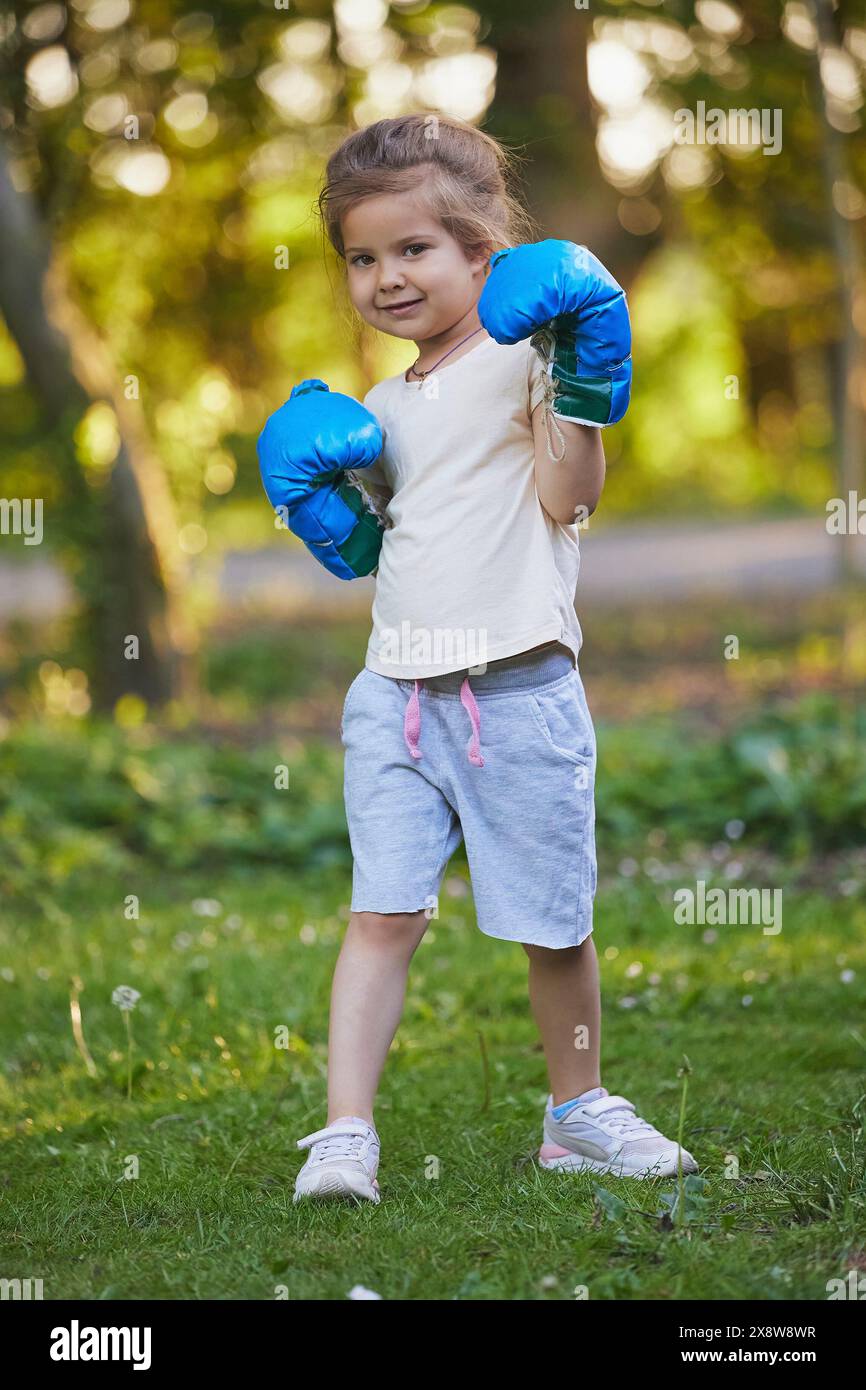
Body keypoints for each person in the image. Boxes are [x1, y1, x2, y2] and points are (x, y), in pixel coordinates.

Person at [263, 114, 698, 1203]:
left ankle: (576, 1109)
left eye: (411, 249)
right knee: (382, 912)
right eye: (361, 258)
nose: (384, 277)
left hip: (519, 694)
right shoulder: (371, 411)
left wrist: (581, 378)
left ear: (481, 256)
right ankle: (344, 1132)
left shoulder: (524, 358)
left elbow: (569, 498)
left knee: (552, 923)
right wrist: (324, 505)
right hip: (394, 697)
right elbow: (383, 554)